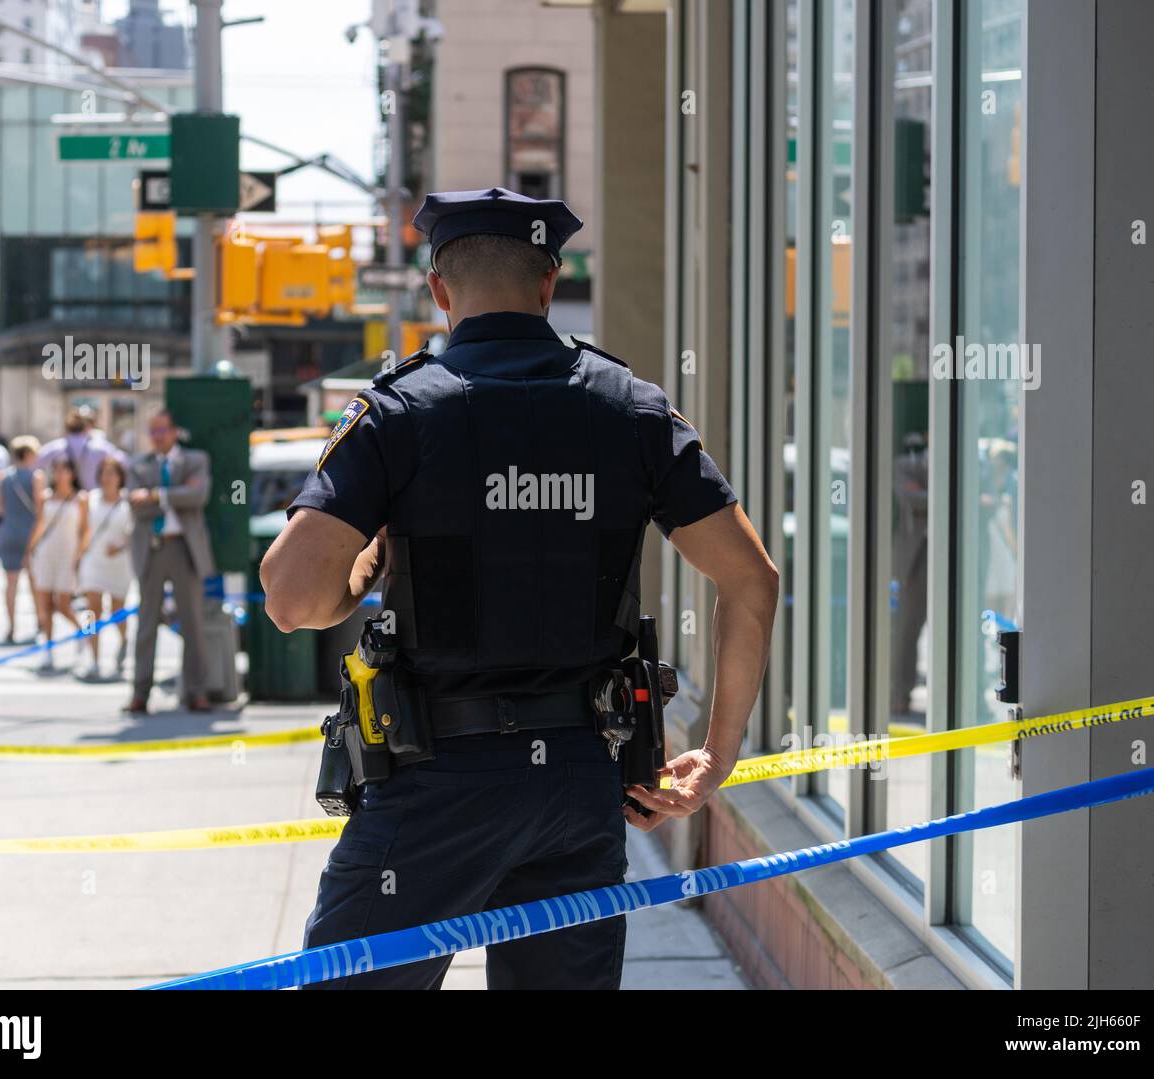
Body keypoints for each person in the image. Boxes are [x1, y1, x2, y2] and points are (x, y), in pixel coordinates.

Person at [260, 187, 781, 990]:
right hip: (581, 781)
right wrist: (716, 756)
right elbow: (752, 579)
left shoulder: (399, 413)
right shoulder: (635, 409)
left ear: (439, 289)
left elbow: (293, 601)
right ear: (549, 283)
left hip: (436, 778)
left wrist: (367, 565)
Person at [125, 410, 215, 714]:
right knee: (146, 623)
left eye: (162, 430)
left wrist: (153, 496)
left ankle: (196, 691)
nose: (157, 437)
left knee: (193, 624)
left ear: (175, 431)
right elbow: (136, 510)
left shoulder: (195, 460)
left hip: (184, 549)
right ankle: (140, 693)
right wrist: (174, 495)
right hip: (151, 549)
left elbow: (198, 495)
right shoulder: (139, 465)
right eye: (152, 432)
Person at [76, 456, 133, 681]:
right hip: (93, 562)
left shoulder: (128, 502)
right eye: (104, 473)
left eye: (113, 473)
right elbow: (82, 531)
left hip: (120, 564)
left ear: (120, 477)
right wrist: (77, 559)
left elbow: (135, 534)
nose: (107, 478)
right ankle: (93, 658)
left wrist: (121, 546)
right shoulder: (89, 499)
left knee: (118, 612)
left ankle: (124, 641)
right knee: (92, 610)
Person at [26, 457, 86, 672]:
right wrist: (30, 551)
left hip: (67, 556)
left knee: (63, 603)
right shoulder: (46, 497)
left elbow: (84, 530)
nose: (59, 475)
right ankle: (48, 651)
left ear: (72, 474)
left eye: (64, 470)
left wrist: (80, 556)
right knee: (45, 605)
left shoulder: (81, 499)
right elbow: (39, 524)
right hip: (45, 554)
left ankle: (82, 633)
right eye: (56, 470)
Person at [0, 436, 43, 645]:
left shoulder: (3, 476)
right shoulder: (36, 476)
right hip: (31, 533)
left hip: (9, 531)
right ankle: (40, 621)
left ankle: (11, 627)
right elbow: (41, 508)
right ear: (30, 454)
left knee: (10, 583)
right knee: (34, 581)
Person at [36, 406, 125, 492]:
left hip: (65, 499)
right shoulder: (100, 446)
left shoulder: (56, 447)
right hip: (92, 496)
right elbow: (123, 461)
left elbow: (36, 462)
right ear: (86, 427)